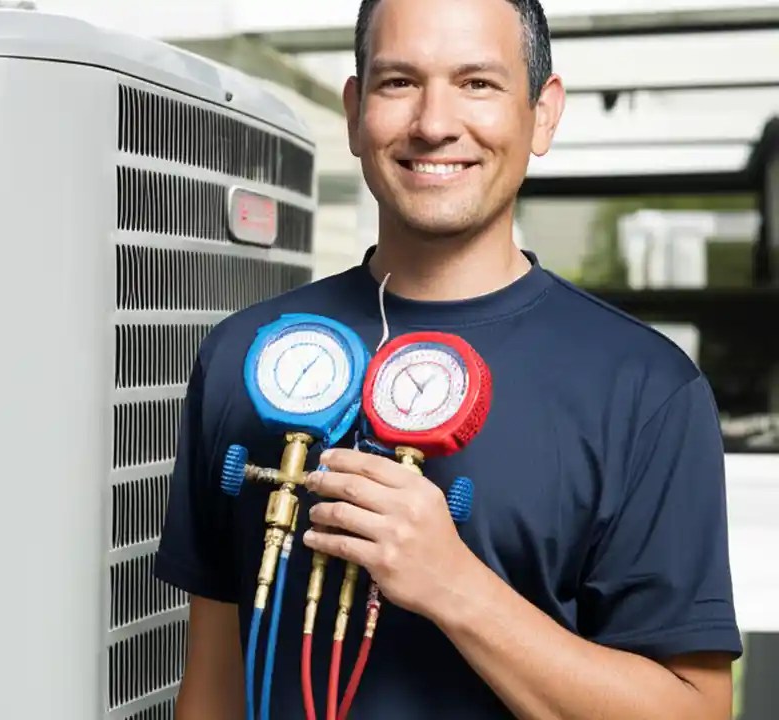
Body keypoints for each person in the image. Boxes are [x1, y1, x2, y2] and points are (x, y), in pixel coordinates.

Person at [151, 0, 743, 717]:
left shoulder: (646, 390)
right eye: (399, 81)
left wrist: (453, 584)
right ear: (354, 109)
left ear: (543, 113)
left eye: (478, 83)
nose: (434, 123)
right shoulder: (244, 357)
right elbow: (213, 685)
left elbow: (696, 709)